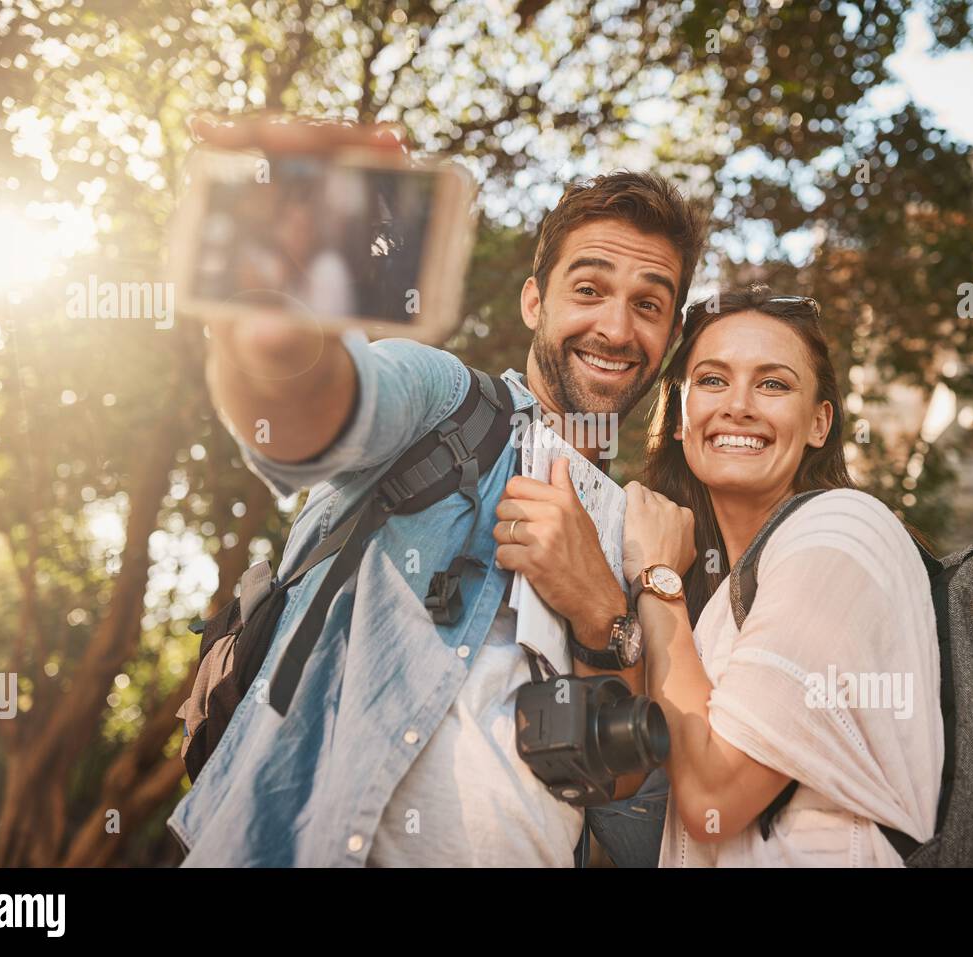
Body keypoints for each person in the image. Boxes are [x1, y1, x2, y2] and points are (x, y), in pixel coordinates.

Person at [168, 114, 706, 866]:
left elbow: (627, 807)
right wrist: (276, 328)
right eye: (589, 288)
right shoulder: (443, 398)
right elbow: (311, 412)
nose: (616, 328)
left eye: (648, 304)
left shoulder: (646, 535)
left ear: (670, 333)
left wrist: (601, 616)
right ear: (534, 303)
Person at [617, 285, 944, 866]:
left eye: (773, 384)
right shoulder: (726, 596)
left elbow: (713, 797)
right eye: (713, 380)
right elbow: (624, 781)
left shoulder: (841, 532)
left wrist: (658, 579)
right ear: (678, 418)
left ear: (820, 423)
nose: (738, 405)